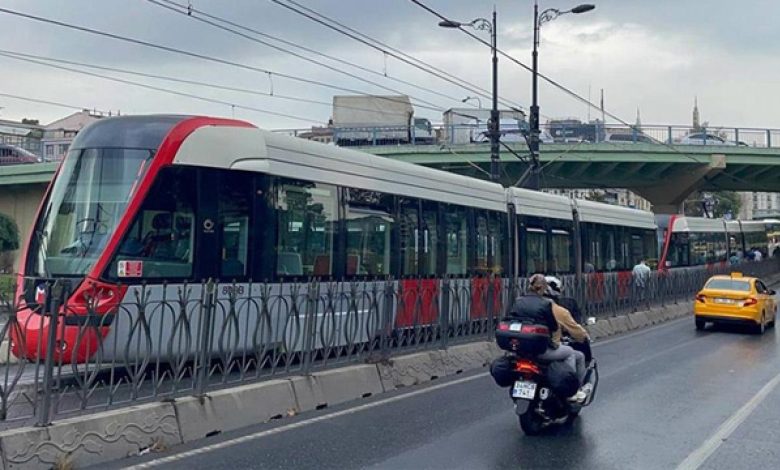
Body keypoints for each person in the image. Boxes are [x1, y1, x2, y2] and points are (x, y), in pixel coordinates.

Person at [507, 274, 587, 402]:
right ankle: (571, 391)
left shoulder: (519, 301)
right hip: (543, 350)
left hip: (522, 350)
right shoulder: (548, 306)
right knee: (571, 353)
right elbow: (553, 327)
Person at [544, 276, 592, 365]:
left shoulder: (525, 307)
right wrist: (584, 336)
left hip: (526, 349)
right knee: (576, 355)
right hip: (547, 349)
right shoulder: (559, 311)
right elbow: (578, 333)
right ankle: (570, 379)